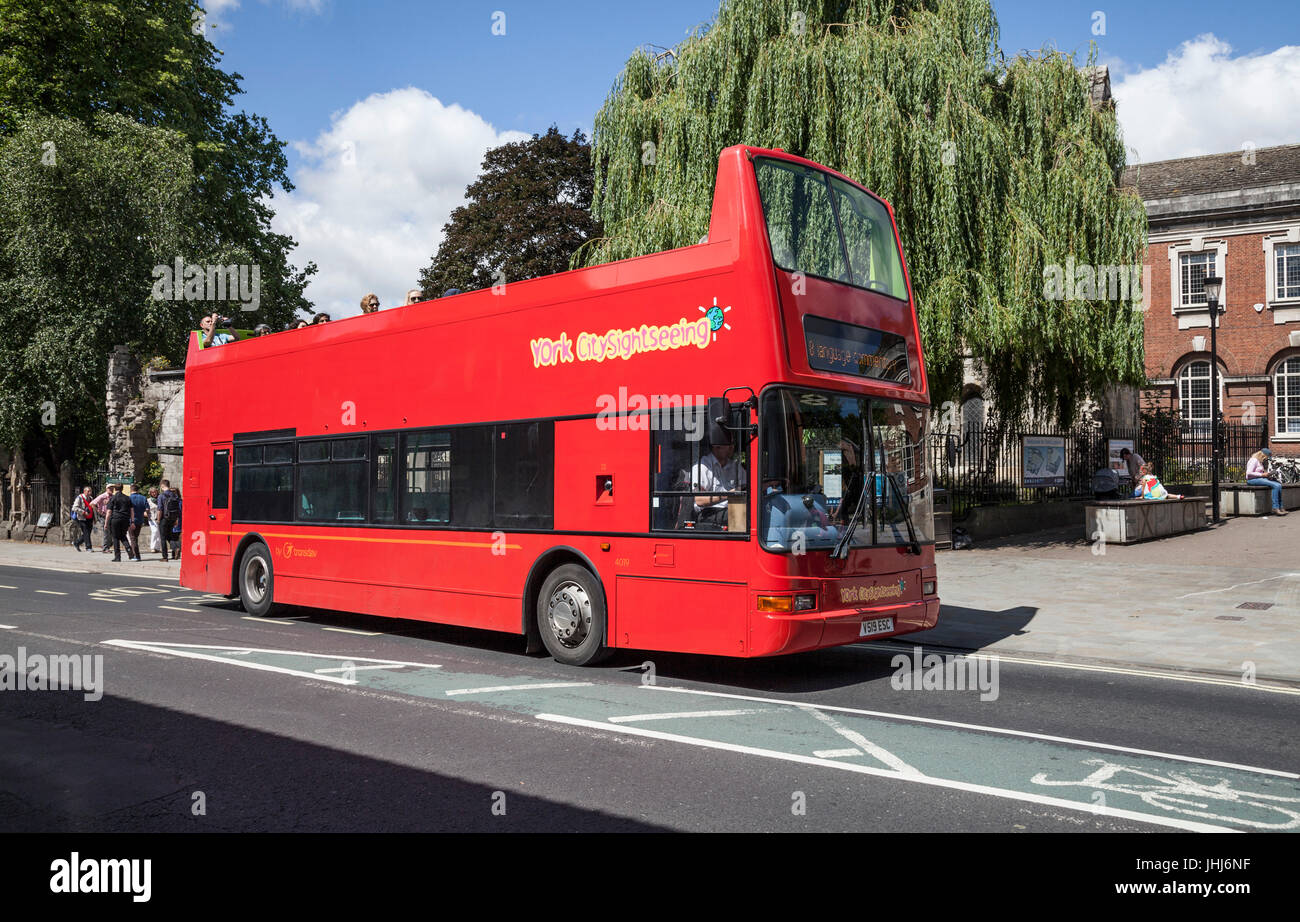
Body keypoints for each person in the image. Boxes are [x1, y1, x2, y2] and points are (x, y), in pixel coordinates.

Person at [691, 438, 747, 526]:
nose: (732, 447)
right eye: (729, 444)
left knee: (758, 512)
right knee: (744, 516)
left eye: (733, 444)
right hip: (709, 513)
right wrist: (730, 495)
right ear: (716, 447)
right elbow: (699, 500)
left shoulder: (736, 467)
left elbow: (748, 487)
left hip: (733, 509)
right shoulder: (703, 466)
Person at [1246, 449, 1287, 516]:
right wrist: (1262, 475)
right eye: (1266, 457)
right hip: (1252, 480)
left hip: (1259, 478)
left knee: (1279, 485)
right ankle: (1275, 508)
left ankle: (1280, 507)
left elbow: (1258, 472)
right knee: (1276, 486)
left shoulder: (1259, 461)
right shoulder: (1254, 460)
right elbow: (1248, 473)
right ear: (1263, 455)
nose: (1266, 459)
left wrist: (1267, 476)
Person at [107, 484, 132, 561]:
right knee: (123, 536)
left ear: (115, 489)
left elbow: (109, 512)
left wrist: (106, 523)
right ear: (122, 488)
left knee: (115, 537)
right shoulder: (127, 498)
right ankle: (130, 552)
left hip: (115, 519)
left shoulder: (113, 498)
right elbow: (131, 510)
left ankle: (117, 557)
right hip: (125, 519)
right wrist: (132, 520)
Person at [158, 480, 180, 561]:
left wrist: (158, 520)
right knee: (169, 535)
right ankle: (175, 548)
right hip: (173, 518)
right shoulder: (175, 495)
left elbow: (160, 509)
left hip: (164, 518)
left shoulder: (161, 496)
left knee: (163, 538)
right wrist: (176, 519)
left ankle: (165, 557)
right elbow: (178, 508)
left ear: (162, 485)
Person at [127, 483, 148, 560]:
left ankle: (136, 555)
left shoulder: (129, 498)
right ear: (138, 490)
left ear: (131, 490)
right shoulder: (143, 498)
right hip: (140, 520)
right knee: (135, 537)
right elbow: (147, 509)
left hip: (131, 521)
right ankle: (135, 554)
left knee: (132, 538)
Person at [71, 486, 94, 551]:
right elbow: (74, 508)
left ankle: (76, 543)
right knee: (86, 532)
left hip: (89, 518)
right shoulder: (79, 498)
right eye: (88, 491)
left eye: (90, 491)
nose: (89, 493)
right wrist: (83, 512)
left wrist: (95, 518)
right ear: (84, 491)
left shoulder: (91, 498)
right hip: (82, 518)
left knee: (88, 533)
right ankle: (88, 547)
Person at [91, 486, 112, 552]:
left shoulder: (112, 496)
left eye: (112, 488)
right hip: (103, 515)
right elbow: (92, 503)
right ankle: (105, 548)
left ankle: (107, 545)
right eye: (110, 488)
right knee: (106, 531)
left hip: (110, 515)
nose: (111, 489)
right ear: (106, 489)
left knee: (110, 532)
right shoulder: (102, 496)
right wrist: (98, 511)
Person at [147, 487, 162, 552]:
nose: (154, 493)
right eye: (152, 492)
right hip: (152, 518)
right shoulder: (148, 500)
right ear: (150, 493)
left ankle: (158, 548)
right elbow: (146, 508)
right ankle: (152, 547)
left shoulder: (160, 499)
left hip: (160, 517)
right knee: (154, 531)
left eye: (155, 492)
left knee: (159, 533)